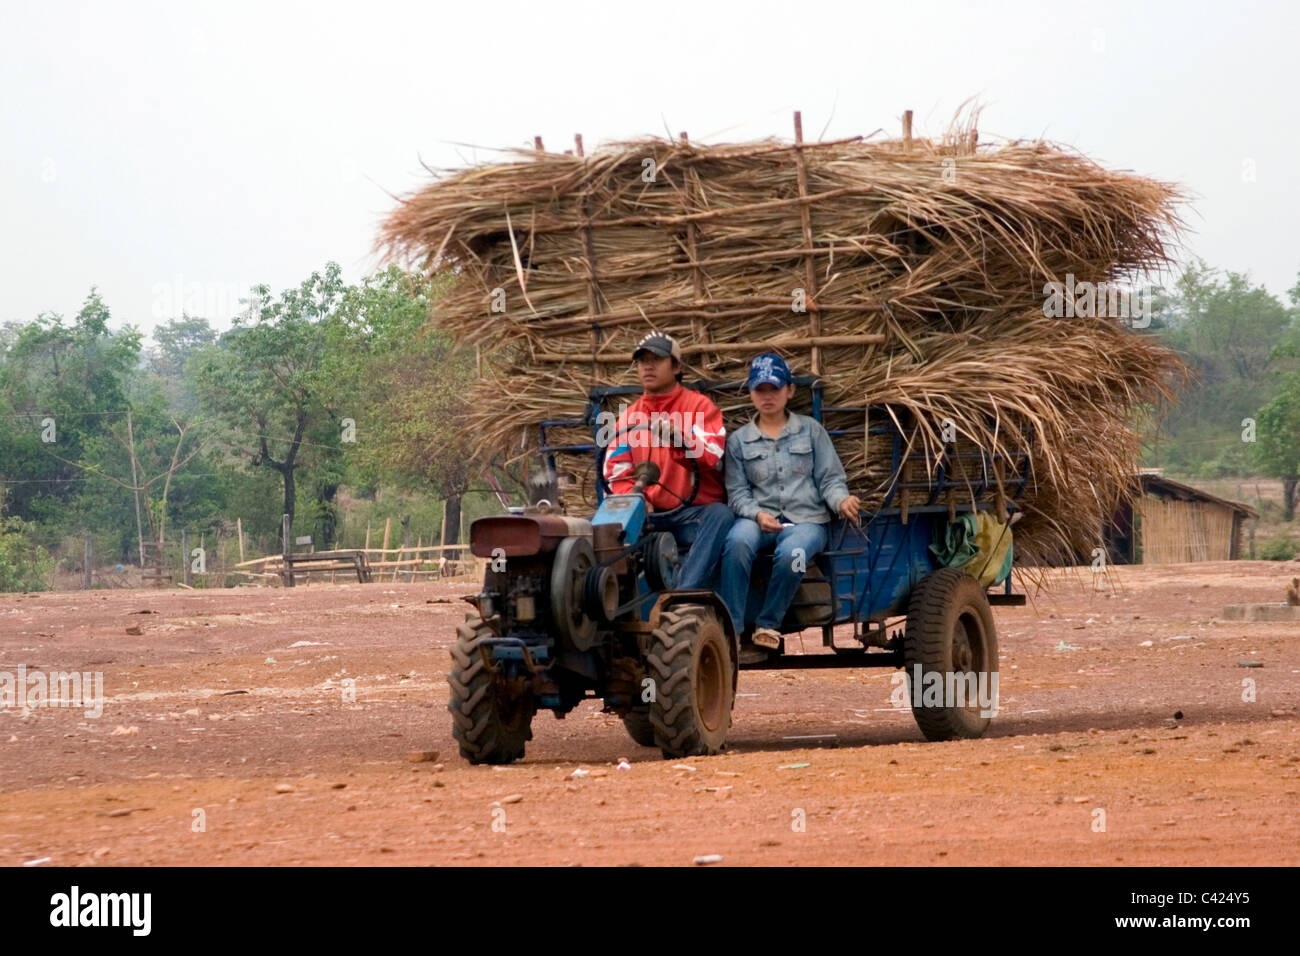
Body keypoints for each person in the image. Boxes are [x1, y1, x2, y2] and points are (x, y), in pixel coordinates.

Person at [721, 353, 861, 653]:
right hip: (758, 519)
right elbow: (738, 494)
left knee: (792, 554)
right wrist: (757, 515)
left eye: (775, 388)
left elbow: (829, 479)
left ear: (790, 391)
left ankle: (768, 625)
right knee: (736, 543)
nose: (768, 396)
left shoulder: (811, 430)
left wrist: (842, 501)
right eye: (761, 390)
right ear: (751, 393)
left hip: (807, 521)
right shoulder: (739, 441)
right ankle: (731, 628)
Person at [602, 332, 733, 589]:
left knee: (721, 516)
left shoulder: (700, 407)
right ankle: (607, 601)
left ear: (676, 367)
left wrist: (679, 439)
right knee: (597, 530)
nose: (648, 366)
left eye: (657, 359)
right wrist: (635, 497)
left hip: (690, 516)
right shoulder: (628, 418)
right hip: (648, 519)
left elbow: (711, 456)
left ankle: (683, 592)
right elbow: (616, 471)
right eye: (642, 361)